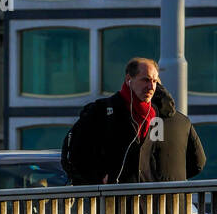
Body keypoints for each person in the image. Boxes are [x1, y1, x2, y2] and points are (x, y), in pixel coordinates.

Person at [63, 57, 160, 185]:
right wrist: (98, 179)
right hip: (110, 197)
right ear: (128, 79)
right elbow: (76, 152)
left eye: (154, 81)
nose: (151, 86)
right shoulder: (102, 110)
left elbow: (158, 155)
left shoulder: (155, 115)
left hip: (145, 197)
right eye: (145, 80)